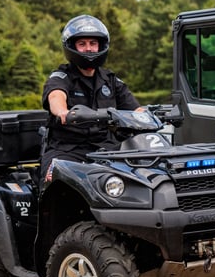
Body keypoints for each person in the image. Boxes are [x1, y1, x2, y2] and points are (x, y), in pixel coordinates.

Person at [40, 15, 141, 184]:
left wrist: (150, 117)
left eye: (93, 43)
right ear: (72, 47)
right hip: (67, 150)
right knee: (54, 180)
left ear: (101, 46)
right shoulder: (61, 77)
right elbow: (56, 96)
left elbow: (136, 109)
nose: (89, 49)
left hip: (107, 149)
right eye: (82, 44)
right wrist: (63, 112)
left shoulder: (110, 80)